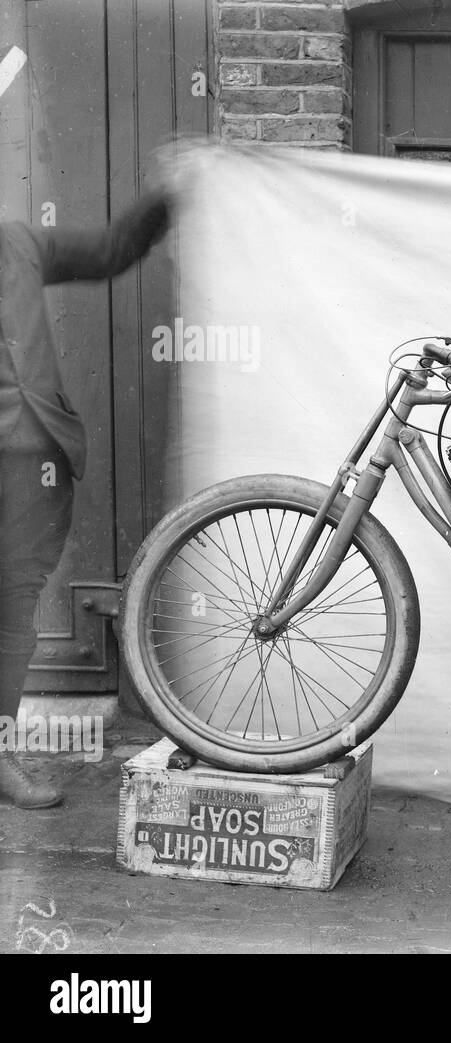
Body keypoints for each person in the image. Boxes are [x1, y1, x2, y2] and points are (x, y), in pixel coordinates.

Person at [0, 189, 169, 807]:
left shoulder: (17, 242)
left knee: (14, 606)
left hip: (32, 460)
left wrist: (166, 196)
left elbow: (107, 251)